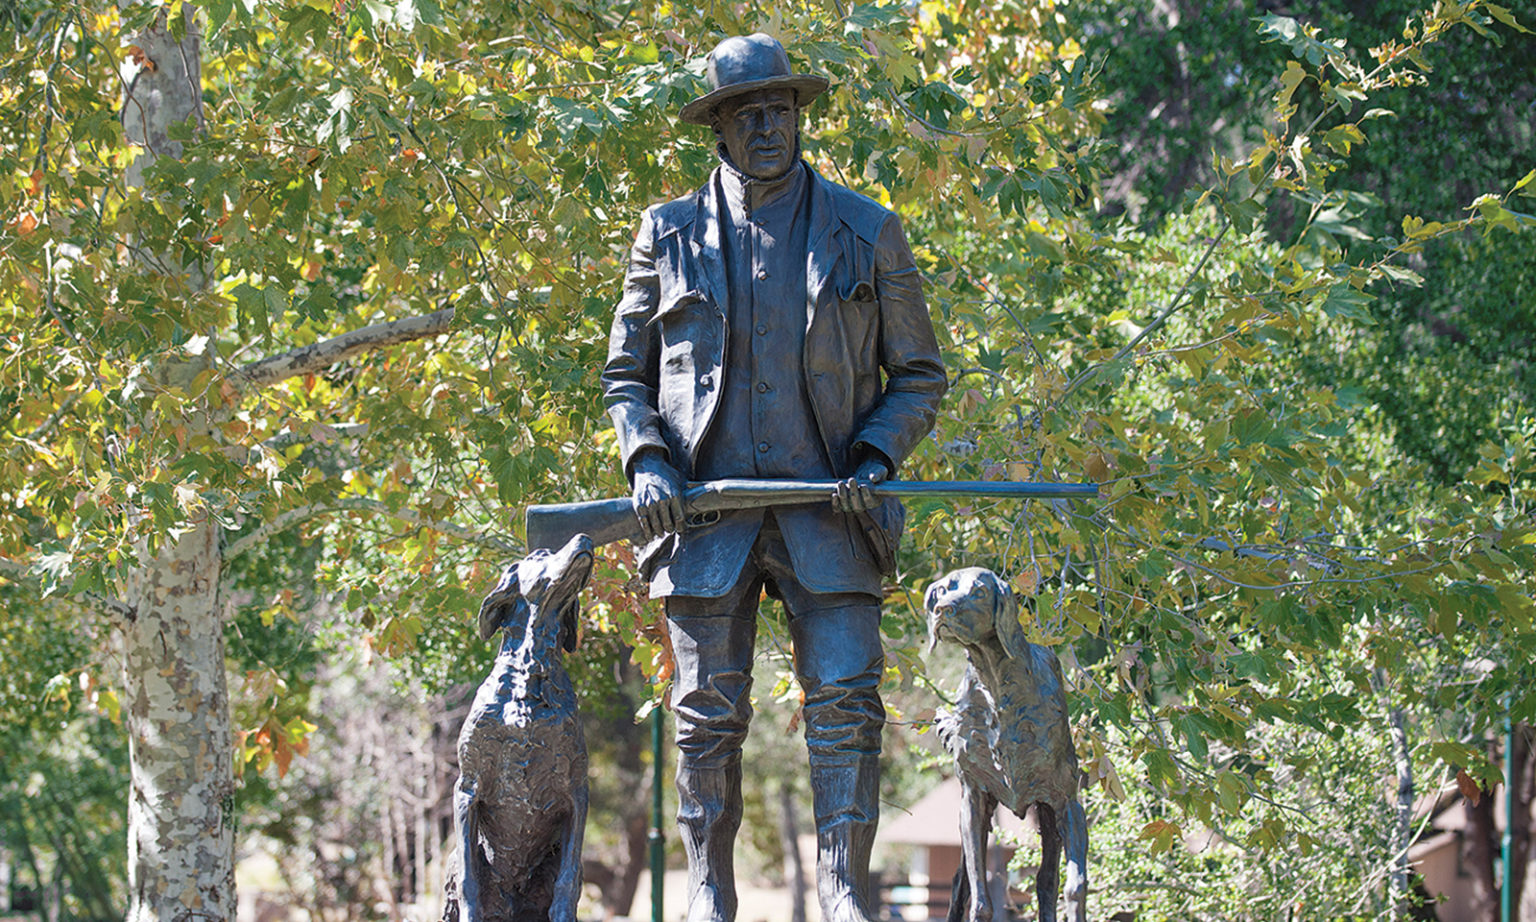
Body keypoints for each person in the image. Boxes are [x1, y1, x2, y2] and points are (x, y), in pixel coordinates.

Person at [602, 33, 946, 922]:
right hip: (704, 520)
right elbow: (625, 377)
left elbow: (919, 376)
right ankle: (708, 894)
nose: (766, 127)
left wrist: (877, 455)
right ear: (716, 128)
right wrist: (645, 457)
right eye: (746, 113)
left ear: (800, 117)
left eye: (779, 110)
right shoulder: (665, 233)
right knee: (705, 714)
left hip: (831, 513)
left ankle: (842, 891)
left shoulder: (868, 229)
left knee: (847, 706)